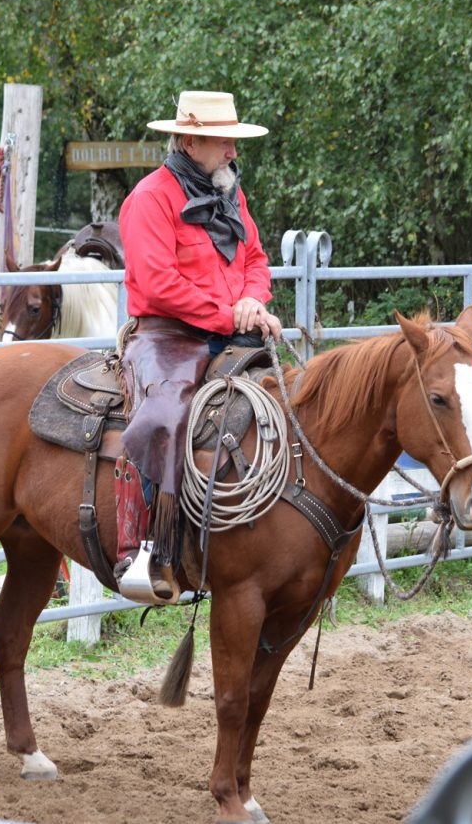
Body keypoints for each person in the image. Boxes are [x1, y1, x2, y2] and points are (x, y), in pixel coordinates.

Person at [114, 89, 282, 604]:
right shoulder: (150, 198)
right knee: (164, 415)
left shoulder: (230, 193)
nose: (233, 152)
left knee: (296, 401)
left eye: (233, 141)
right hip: (165, 336)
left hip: (231, 331)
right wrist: (229, 312)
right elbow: (159, 283)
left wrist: (253, 302)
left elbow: (255, 258)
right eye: (222, 142)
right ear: (189, 140)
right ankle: (141, 548)